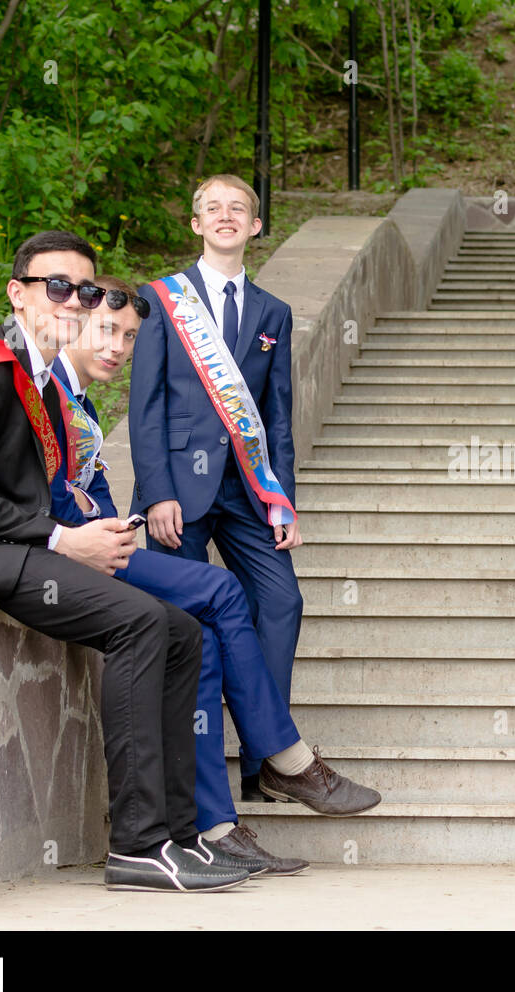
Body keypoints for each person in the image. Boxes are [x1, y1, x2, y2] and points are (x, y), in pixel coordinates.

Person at [0, 230, 249, 893]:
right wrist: (60, 539)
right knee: (140, 623)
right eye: (56, 286)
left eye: (82, 289)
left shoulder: (44, 385)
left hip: (6, 547)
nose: (72, 300)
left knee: (182, 629)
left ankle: (178, 836)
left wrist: (84, 533)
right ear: (18, 294)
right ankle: (135, 846)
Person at [51, 275, 380, 873]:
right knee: (213, 606)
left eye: (126, 335)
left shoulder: (78, 399)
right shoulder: (43, 390)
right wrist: (146, 499)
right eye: (110, 332)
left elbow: (274, 414)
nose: (120, 347)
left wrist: (107, 523)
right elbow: (50, 487)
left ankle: (225, 819)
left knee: (224, 624)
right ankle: (279, 765)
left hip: (163, 521)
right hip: (77, 550)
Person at [128, 173, 359, 807]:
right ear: (195, 223)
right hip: (178, 492)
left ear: (256, 226)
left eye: (239, 208)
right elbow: (144, 405)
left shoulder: (273, 314)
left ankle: (265, 760)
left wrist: (282, 500)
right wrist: (155, 493)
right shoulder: (161, 300)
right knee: (190, 624)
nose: (226, 216)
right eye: (212, 208)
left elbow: (276, 417)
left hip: (246, 491)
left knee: (281, 602)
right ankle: (198, 785)